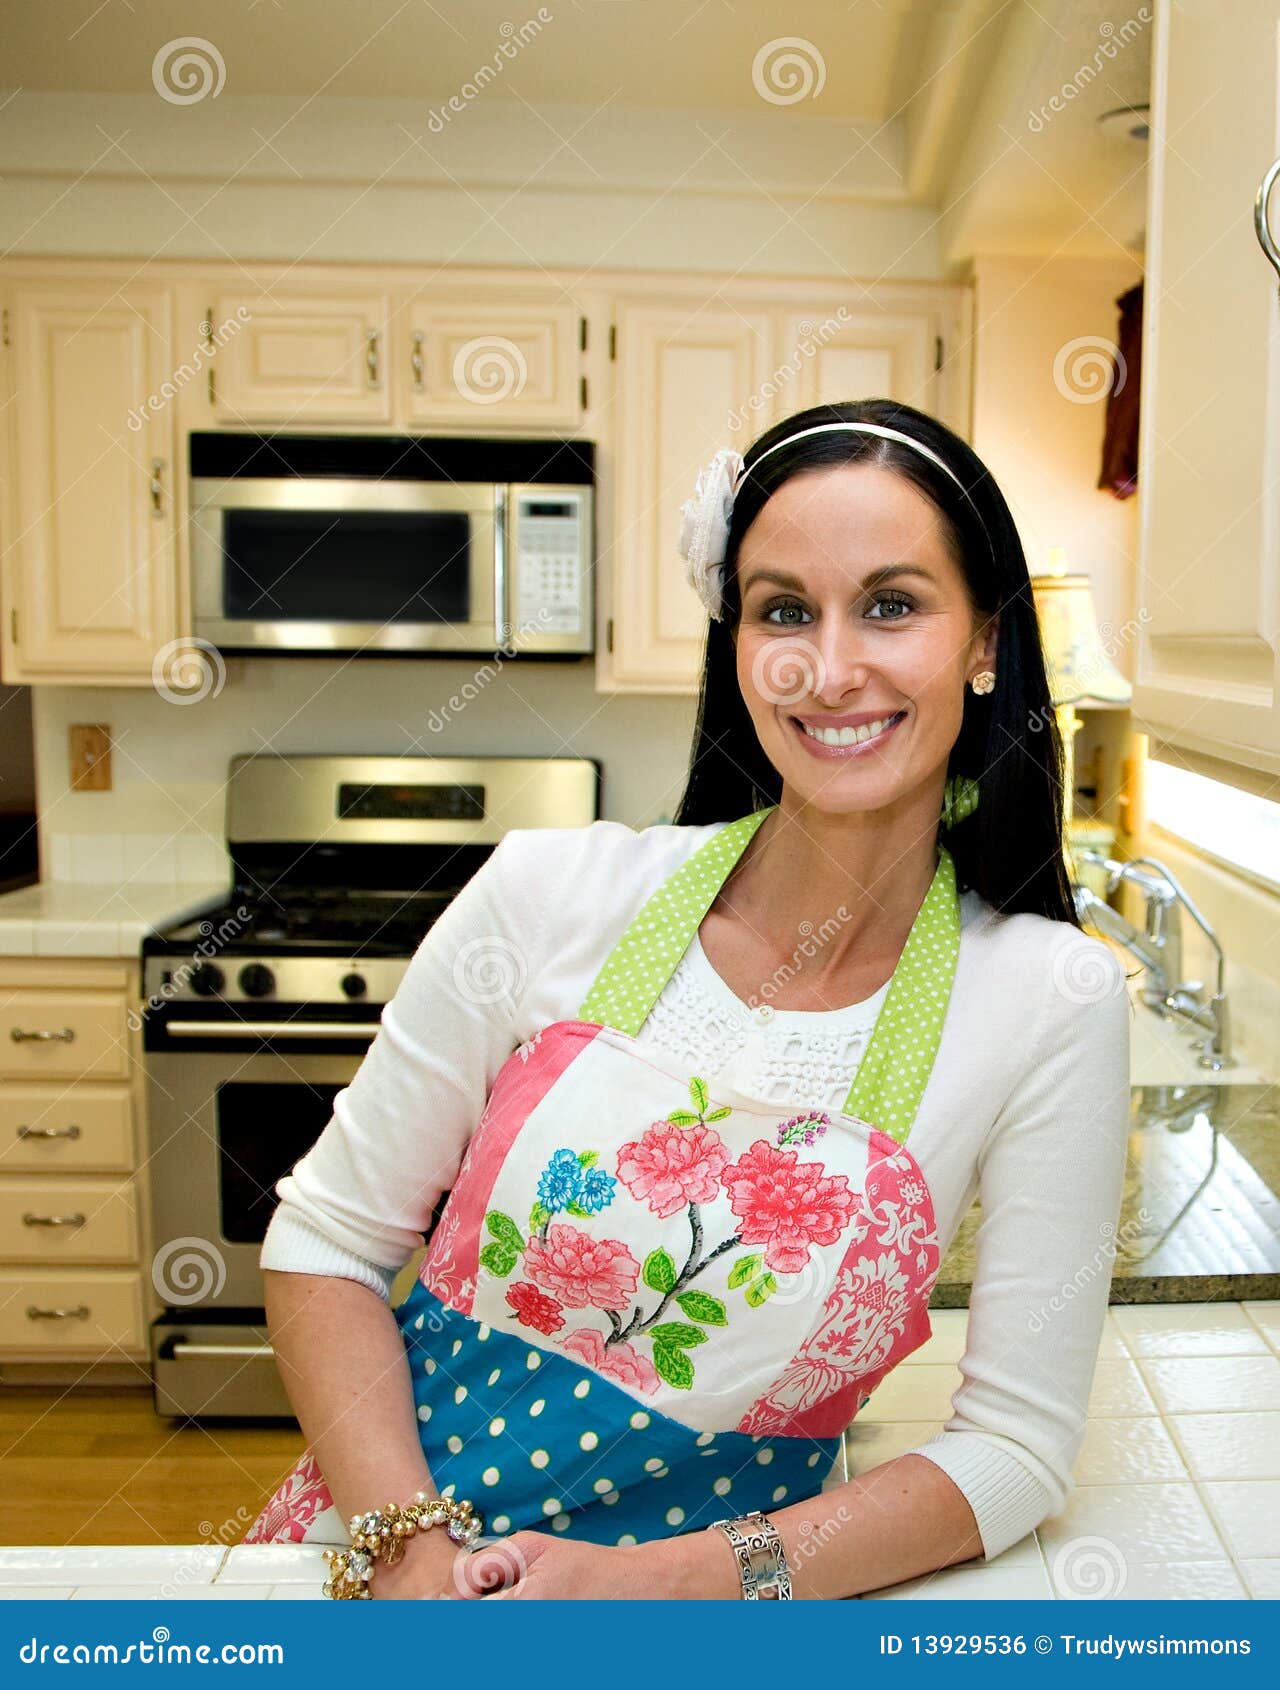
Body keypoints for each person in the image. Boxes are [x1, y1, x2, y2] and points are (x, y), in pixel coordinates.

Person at [245, 397, 1132, 1601]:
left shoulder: (1047, 999)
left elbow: (1014, 1450)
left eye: (888, 604)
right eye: (780, 610)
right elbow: (326, 1241)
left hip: (696, 1614)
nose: (828, 668)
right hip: (373, 1560)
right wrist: (407, 1547)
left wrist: (650, 1584)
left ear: (984, 639)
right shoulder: (548, 891)